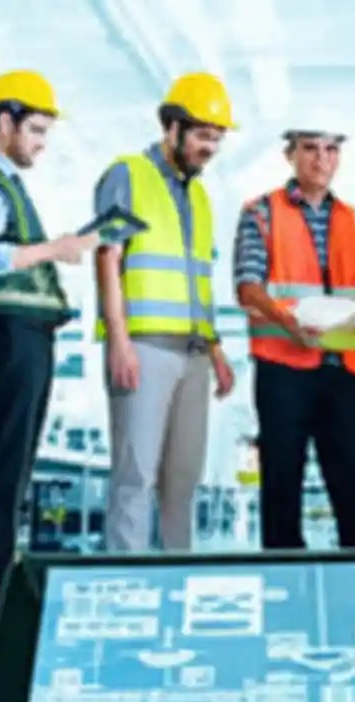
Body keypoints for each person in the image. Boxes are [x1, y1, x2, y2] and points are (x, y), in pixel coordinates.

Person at [0, 69, 98, 634]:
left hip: (28, 334)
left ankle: (5, 594)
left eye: (45, 132)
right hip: (3, 336)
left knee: (17, 471)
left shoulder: (7, 183)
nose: (39, 143)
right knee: (2, 470)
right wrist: (54, 249)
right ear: (3, 121)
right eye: (33, 129)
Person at [93, 71, 237, 554]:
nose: (209, 148)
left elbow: (199, 280)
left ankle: (177, 581)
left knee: (182, 479)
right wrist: (119, 340)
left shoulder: (198, 195)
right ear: (170, 128)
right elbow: (107, 257)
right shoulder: (127, 175)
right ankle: (125, 584)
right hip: (145, 347)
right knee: (136, 474)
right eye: (201, 135)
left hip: (193, 353)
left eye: (216, 139)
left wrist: (215, 350)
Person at [233, 119, 355, 550]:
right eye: (310, 148)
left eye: (331, 149)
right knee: (282, 480)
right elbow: (248, 286)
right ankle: (285, 586)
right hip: (284, 368)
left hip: (343, 366)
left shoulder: (354, 220)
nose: (321, 159)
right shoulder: (260, 213)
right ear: (290, 155)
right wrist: (288, 323)